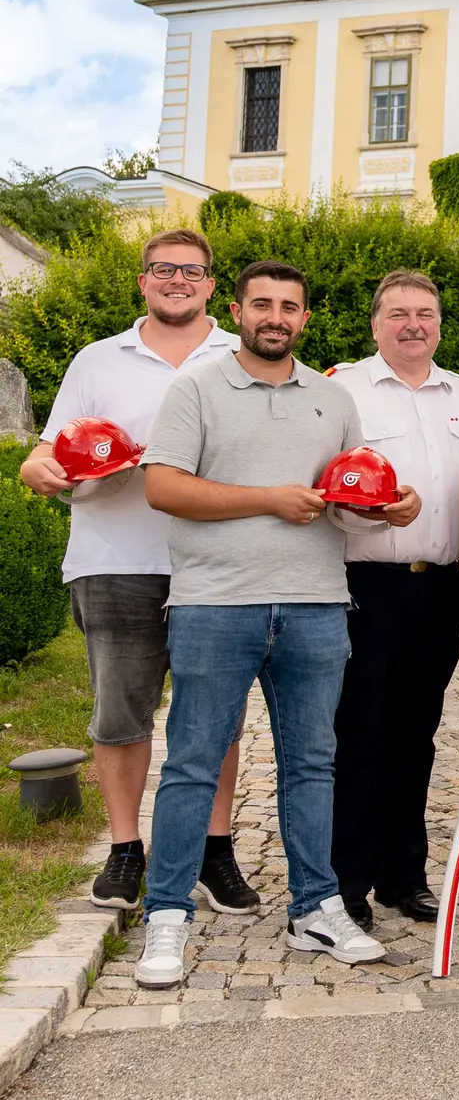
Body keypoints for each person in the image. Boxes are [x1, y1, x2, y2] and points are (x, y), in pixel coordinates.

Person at [134, 261, 417, 989]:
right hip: (213, 604)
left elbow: (343, 492)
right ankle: (166, 916)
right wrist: (267, 499)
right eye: (262, 303)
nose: (276, 316)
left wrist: (388, 507)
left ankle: (316, 907)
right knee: (193, 763)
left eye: (290, 306)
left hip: (317, 604)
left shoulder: (332, 397)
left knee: (313, 765)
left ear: (305, 318)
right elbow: (163, 485)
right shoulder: (195, 388)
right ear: (236, 309)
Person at [18, 228, 251, 916]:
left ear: (213, 284)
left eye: (192, 270)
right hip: (115, 558)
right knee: (120, 713)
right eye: (162, 269)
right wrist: (38, 469)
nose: (177, 279)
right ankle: (125, 849)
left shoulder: (238, 356)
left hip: (217, 562)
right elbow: (48, 451)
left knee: (221, 717)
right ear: (143, 280)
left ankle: (215, 848)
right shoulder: (98, 360)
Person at [326, 270, 459, 930]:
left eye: (425, 312)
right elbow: (323, 489)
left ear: (440, 323)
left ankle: (404, 874)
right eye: (399, 313)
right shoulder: (342, 390)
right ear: (376, 324)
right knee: (359, 732)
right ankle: (347, 881)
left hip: (443, 586)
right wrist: (372, 517)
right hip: (367, 583)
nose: (413, 324)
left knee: (417, 735)